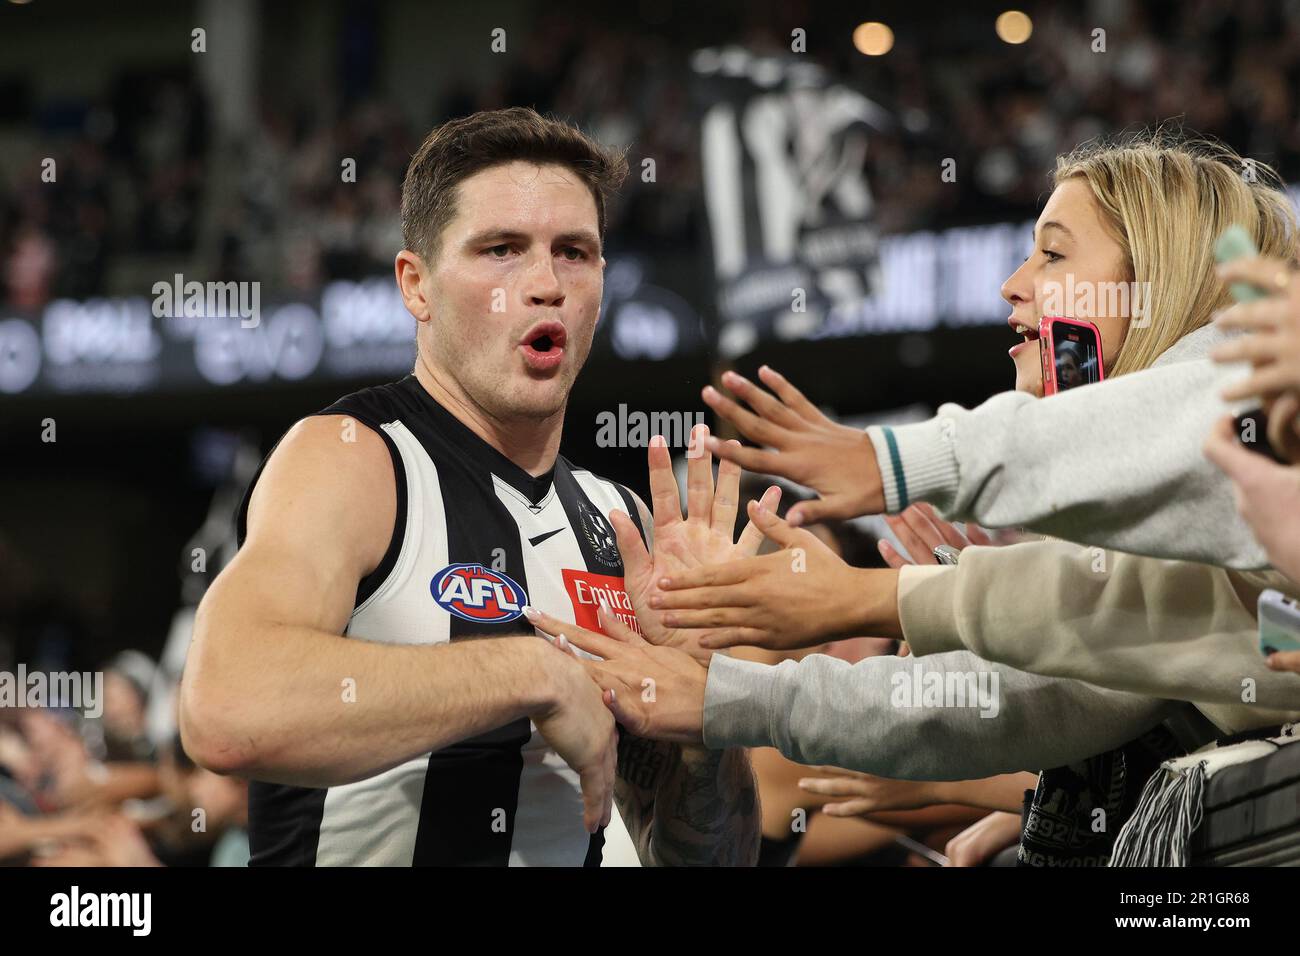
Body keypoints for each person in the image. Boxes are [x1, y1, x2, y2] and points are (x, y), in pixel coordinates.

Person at [179, 107, 762, 866]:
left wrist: (705, 722)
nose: (545, 283)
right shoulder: (354, 459)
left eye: (574, 254)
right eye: (501, 250)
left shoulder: (619, 524)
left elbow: (709, 859)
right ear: (415, 285)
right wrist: (529, 670)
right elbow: (225, 710)